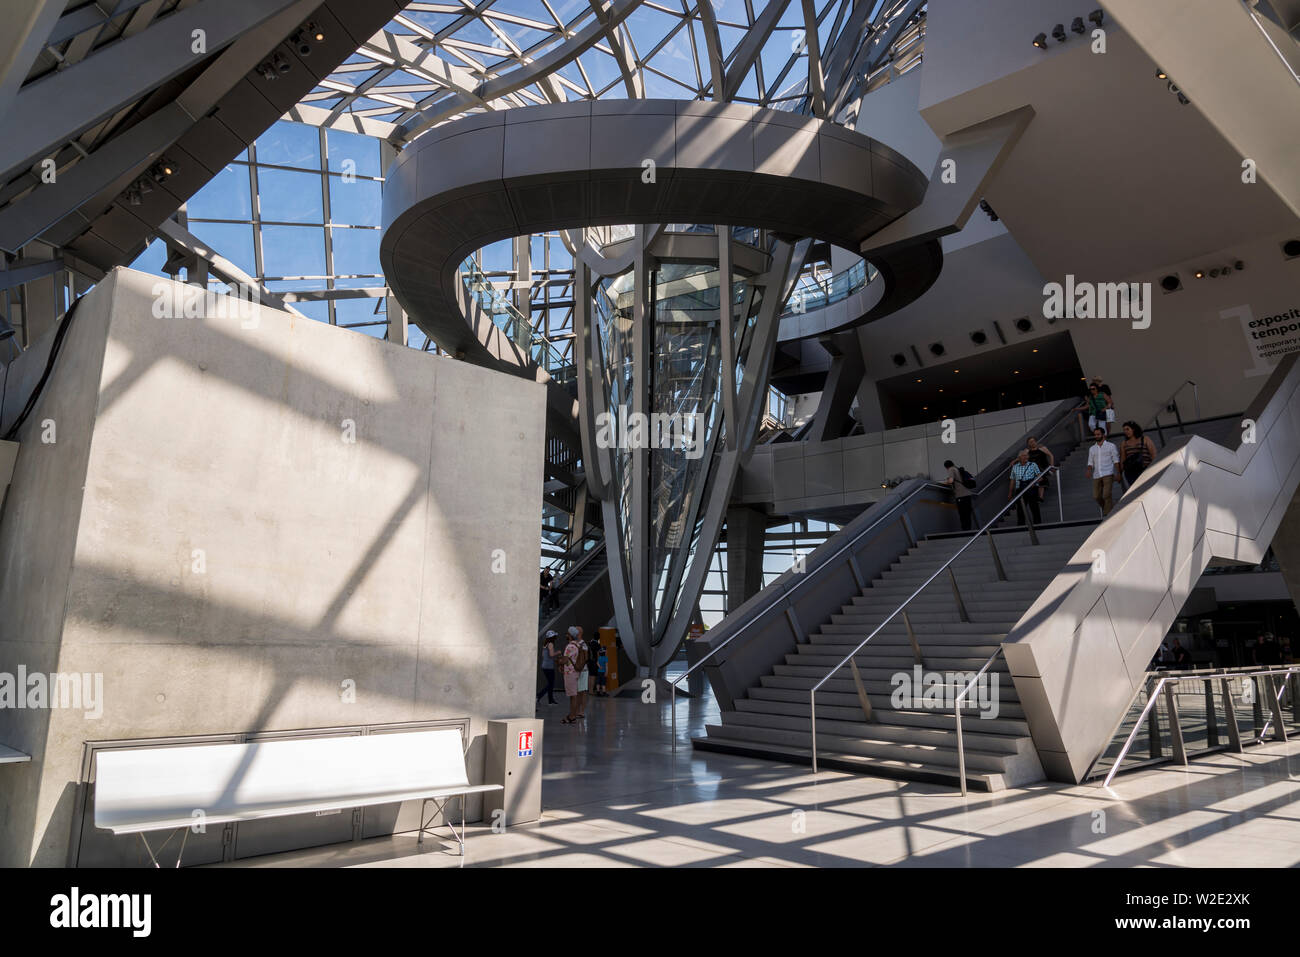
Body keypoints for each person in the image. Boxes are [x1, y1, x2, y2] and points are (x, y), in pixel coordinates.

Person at [1085, 426, 1121, 517]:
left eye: (1098, 434)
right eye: (1095, 435)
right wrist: (1089, 470)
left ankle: (1107, 515)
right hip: (1096, 475)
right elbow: (1090, 462)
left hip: (1108, 473)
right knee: (1096, 496)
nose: (1096, 436)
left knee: (1106, 495)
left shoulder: (1111, 446)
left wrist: (1118, 473)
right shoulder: (1092, 449)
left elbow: (1116, 460)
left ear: (1103, 435)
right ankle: (1109, 509)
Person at [1008, 449, 1042, 526]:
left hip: (1032, 489)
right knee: (1020, 509)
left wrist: (1033, 483)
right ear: (1019, 458)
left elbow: (1040, 477)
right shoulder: (1015, 467)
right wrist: (1010, 493)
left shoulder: (1033, 465)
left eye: (1027, 455)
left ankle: (1038, 524)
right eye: (1024, 456)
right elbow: (1012, 480)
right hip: (1019, 489)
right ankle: (1021, 525)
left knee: (1034, 507)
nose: (1026, 457)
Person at [1119, 421, 1157, 490]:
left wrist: (1154, 468)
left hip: (1146, 469)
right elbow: (1123, 459)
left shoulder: (1145, 439)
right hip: (1131, 473)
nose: (1125, 432)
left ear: (1133, 429)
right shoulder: (1124, 444)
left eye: (1127, 429)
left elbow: (1153, 454)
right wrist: (1122, 472)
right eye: (1124, 430)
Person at [560, 626, 585, 724]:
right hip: (575, 672)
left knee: (573, 696)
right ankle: (572, 715)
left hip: (570, 673)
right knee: (573, 695)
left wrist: (559, 661)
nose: (566, 635)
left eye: (567, 634)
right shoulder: (577, 645)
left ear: (570, 635)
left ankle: (572, 716)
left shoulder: (569, 646)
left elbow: (565, 660)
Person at [943, 459, 975, 531]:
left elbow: (951, 480)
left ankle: (965, 530)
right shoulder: (957, 469)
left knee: (962, 514)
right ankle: (968, 530)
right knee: (967, 514)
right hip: (967, 494)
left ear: (946, 467)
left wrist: (945, 482)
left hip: (961, 496)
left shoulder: (951, 469)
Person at [1026, 436, 1054, 502]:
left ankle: (1040, 495)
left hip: (1043, 468)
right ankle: (1039, 495)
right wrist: (1014, 461)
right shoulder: (1027, 451)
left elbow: (1051, 455)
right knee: (1039, 476)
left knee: (1040, 475)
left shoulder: (1042, 448)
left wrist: (1052, 465)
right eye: (1030, 442)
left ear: (1036, 442)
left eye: (1033, 441)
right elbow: (1020, 457)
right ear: (1028, 444)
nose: (1032, 443)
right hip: (1033, 470)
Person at [537, 630, 559, 706]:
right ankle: (539, 696)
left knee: (550, 683)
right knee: (550, 684)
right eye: (554, 636)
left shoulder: (545, 644)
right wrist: (558, 652)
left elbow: (544, 656)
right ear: (552, 637)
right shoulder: (550, 644)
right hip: (549, 667)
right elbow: (552, 654)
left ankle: (550, 700)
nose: (556, 638)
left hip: (544, 666)